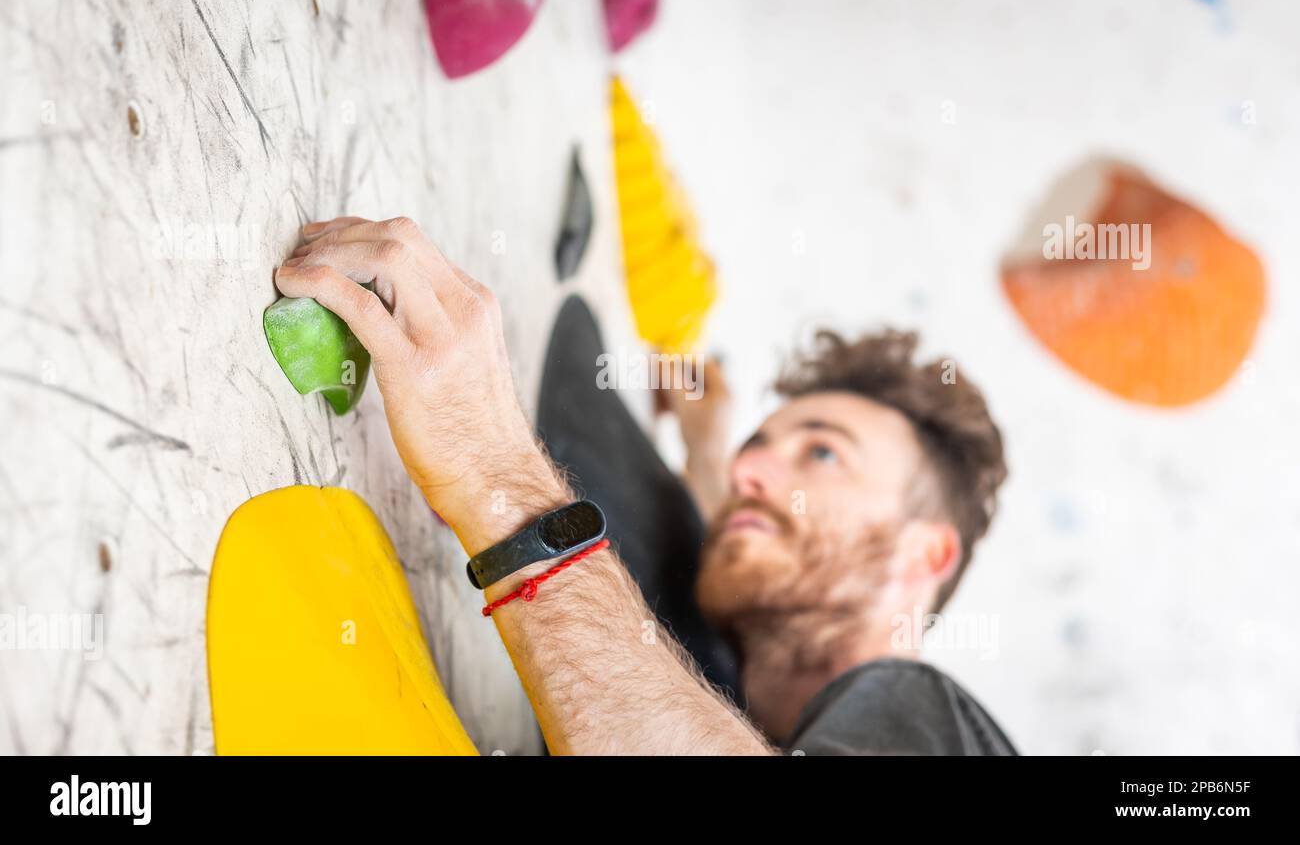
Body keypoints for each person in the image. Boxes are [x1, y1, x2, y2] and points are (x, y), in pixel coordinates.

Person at [274, 215, 1017, 755]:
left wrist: (493, 468)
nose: (752, 472)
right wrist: (705, 439)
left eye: (823, 455)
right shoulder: (714, 677)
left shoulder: (930, 723)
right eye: (757, 451)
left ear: (925, 554)